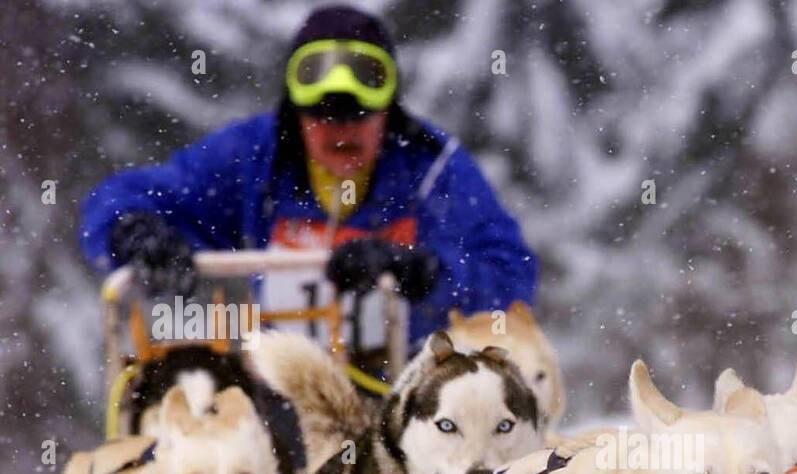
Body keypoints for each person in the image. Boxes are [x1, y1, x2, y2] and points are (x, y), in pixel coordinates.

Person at [79, 4, 537, 348]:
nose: (342, 131)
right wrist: (133, 230)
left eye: (359, 114)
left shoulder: (433, 171)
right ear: (293, 114)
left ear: (390, 113)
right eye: (322, 115)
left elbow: (512, 279)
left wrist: (425, 273)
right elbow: (123, 196)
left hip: (404, 400)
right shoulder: (254, 157)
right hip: (277, 393)